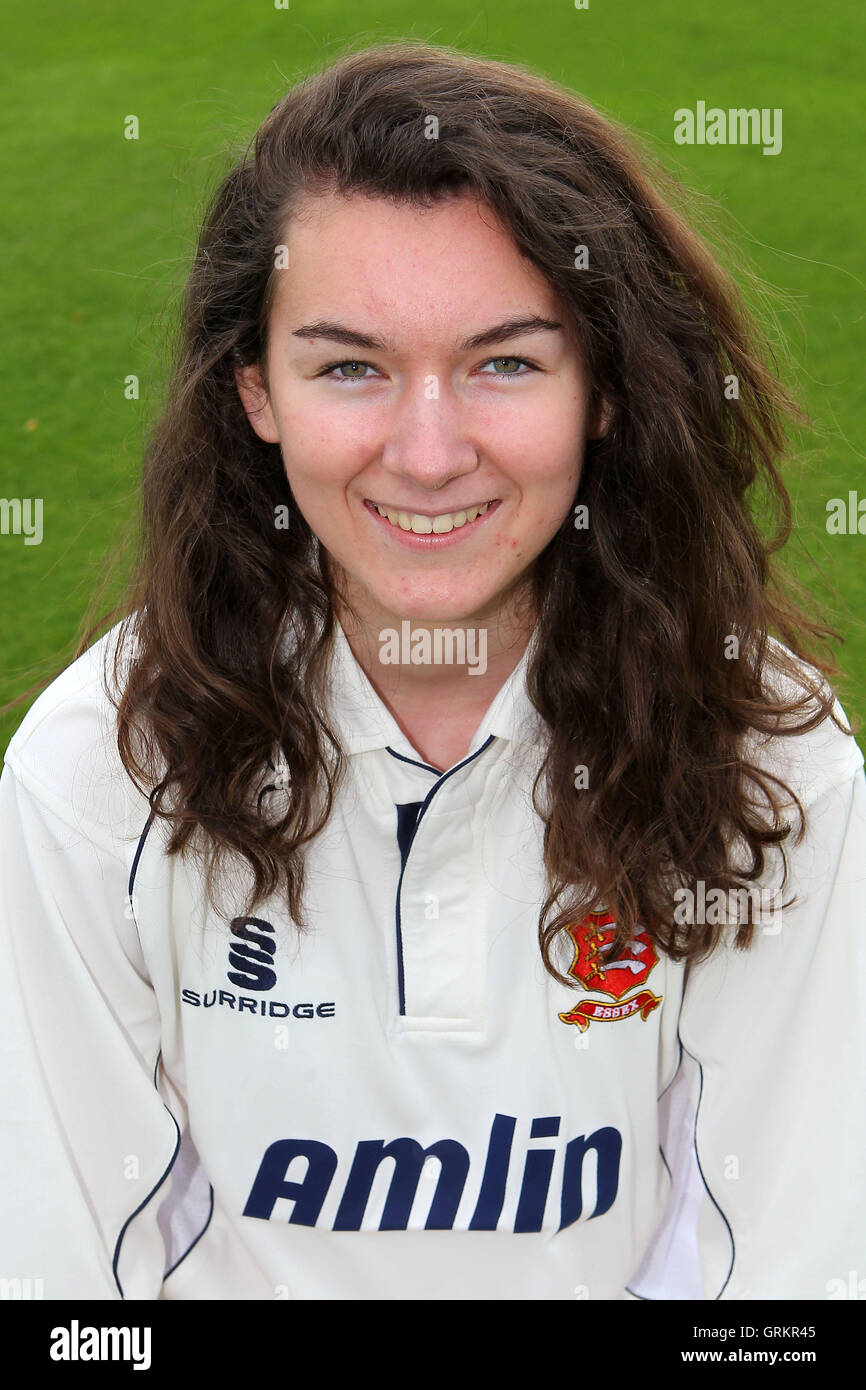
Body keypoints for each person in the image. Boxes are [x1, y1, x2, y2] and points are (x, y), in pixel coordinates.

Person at [1, 39, 864, 1302]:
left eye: (504, 361)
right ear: (256, 392)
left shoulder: (769, 758)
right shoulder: (101, 770)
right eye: (349, 365)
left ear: (602, 392)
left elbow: (788, 1274)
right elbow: (66, 1289)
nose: (426, 451)